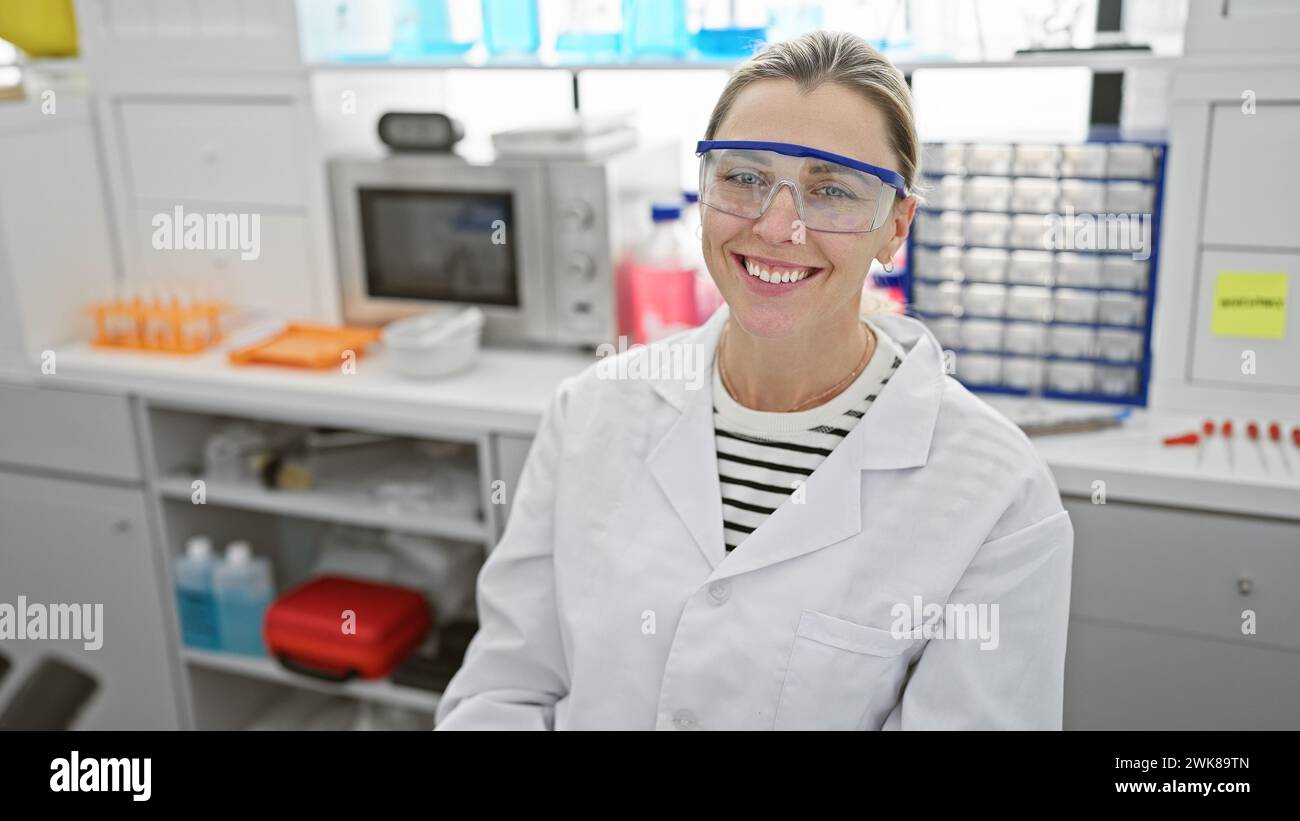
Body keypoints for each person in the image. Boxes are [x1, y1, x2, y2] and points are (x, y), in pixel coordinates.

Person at [436, 30, 1074, 731]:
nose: (777, 227)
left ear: (896, 227)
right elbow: (503, 691)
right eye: (743, 177)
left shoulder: (998, 497)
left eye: (830, 190)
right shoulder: (589, 413)